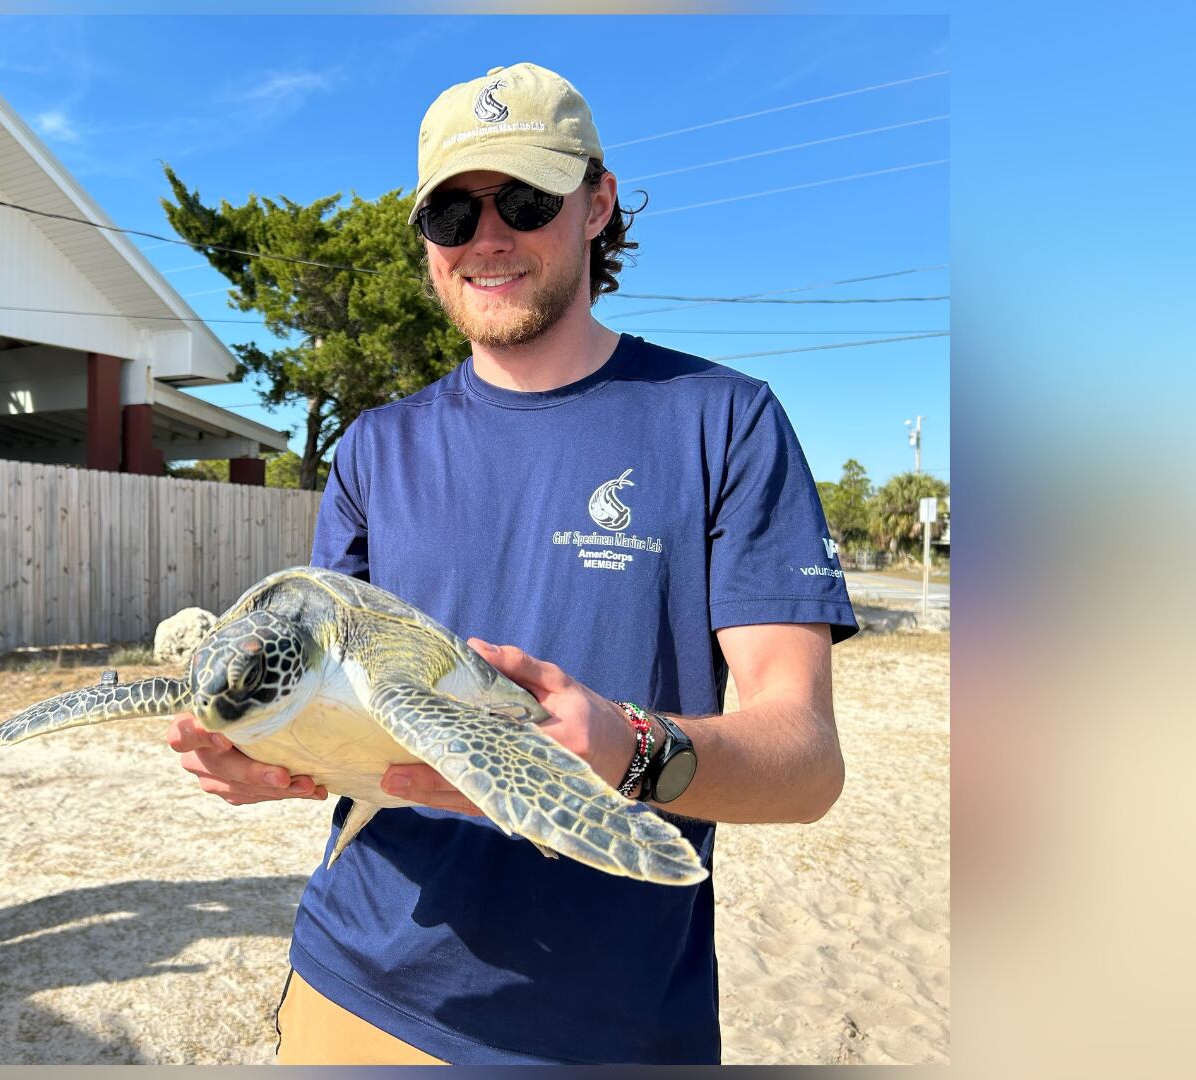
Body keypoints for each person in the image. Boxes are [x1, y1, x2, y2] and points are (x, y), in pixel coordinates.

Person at [167, 62, 856, 1064]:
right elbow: (339, 714)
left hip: (609, 1032)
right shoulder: (373, 449)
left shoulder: (723, 423)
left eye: (525, 199)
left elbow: (806, 764)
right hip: (354, 993)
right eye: (451, 212)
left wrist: (628, 751)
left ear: (597, 202)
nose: (486, 236)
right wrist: (268, 758)